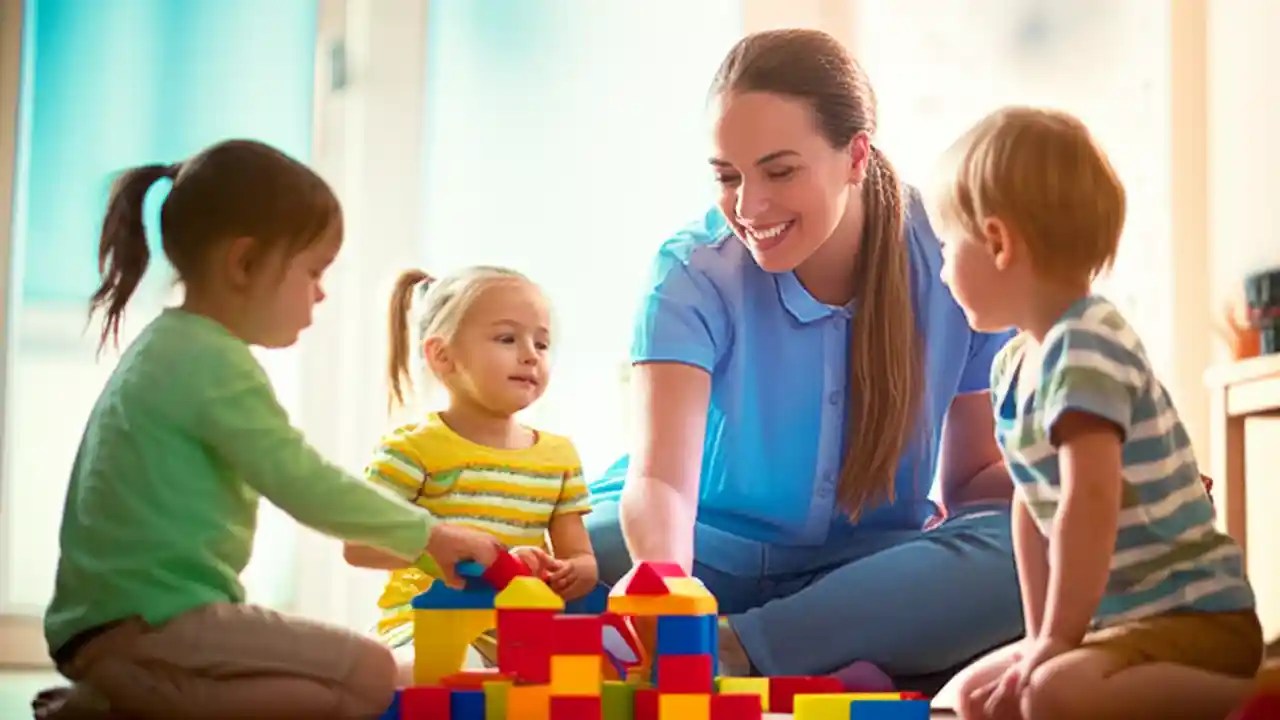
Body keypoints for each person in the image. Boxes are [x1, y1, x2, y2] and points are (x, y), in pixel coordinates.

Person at [585, 28, 1024, 690]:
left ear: (855, 155)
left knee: (1025, 549)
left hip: (861, 565)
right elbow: (662, 485)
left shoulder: (948, 257)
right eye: (728, 176)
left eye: (780, 171)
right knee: (558, 555)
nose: (749, 206)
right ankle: (811, 645)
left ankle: (738, 647)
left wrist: (1093, 488)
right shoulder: (691, 270)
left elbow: (970, 482)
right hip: (702, 550)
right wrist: (667, 588)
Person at [39, 140, 504, 720]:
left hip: (107, 625)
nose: (321, 291)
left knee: (330, 696)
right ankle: (125, 701)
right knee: (370, 672)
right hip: (161, 623)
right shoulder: (213, 363)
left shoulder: (164, 347)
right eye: (313, 270)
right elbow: (302, 481)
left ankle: (116, 693)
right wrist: (429, 536)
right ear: (243, 264)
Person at [934, 107, 1263, 720]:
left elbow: (1090, 500)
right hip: (1116, 627)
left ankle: (1255, 688)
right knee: (972, 698)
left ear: (999, 242)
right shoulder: (1010, 368)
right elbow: (1032, 511)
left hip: (1193, 622)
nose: (942, 267)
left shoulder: (1086, 343)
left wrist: (1059, 643)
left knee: (1051, 694)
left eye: (947, 245)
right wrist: (1042, 637)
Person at [343, 266, 598, 682]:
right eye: (506, 338)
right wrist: (447, 548)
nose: (531, 354)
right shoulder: (411, 449)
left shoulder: (559, 456)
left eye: (542, 342)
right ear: (442, 355)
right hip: (427, 625)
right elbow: (358, 545)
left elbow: (580, 559)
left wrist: (571, 573)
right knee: (451, 674)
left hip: (522, 634)